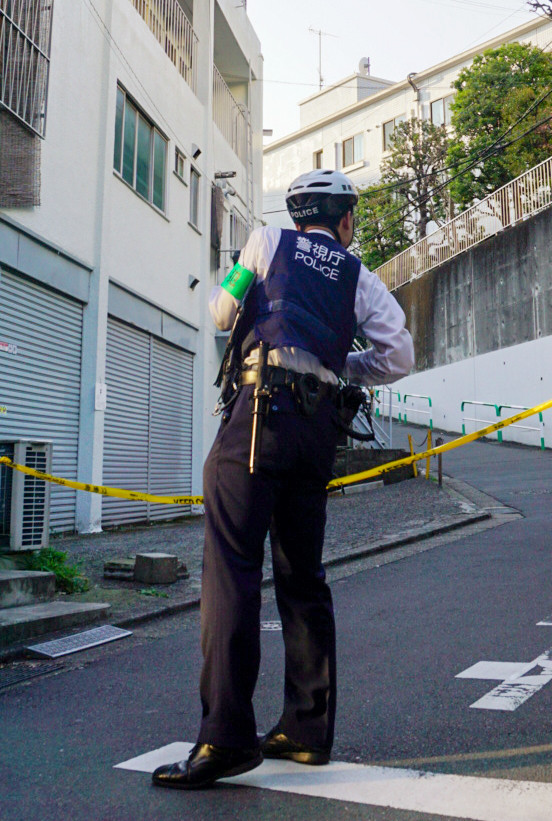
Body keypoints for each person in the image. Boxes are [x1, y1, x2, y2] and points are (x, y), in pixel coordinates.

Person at [152, 169, 413, 789]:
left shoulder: (267, 243)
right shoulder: (360, 278)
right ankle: (305, 729)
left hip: (258, 417)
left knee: (233, 573)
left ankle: (224, 741)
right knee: (303, 577)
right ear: (344, 219)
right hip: (316, 431)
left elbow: (221, 310)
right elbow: (398, 356)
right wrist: (335, 359)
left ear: (301, 216)